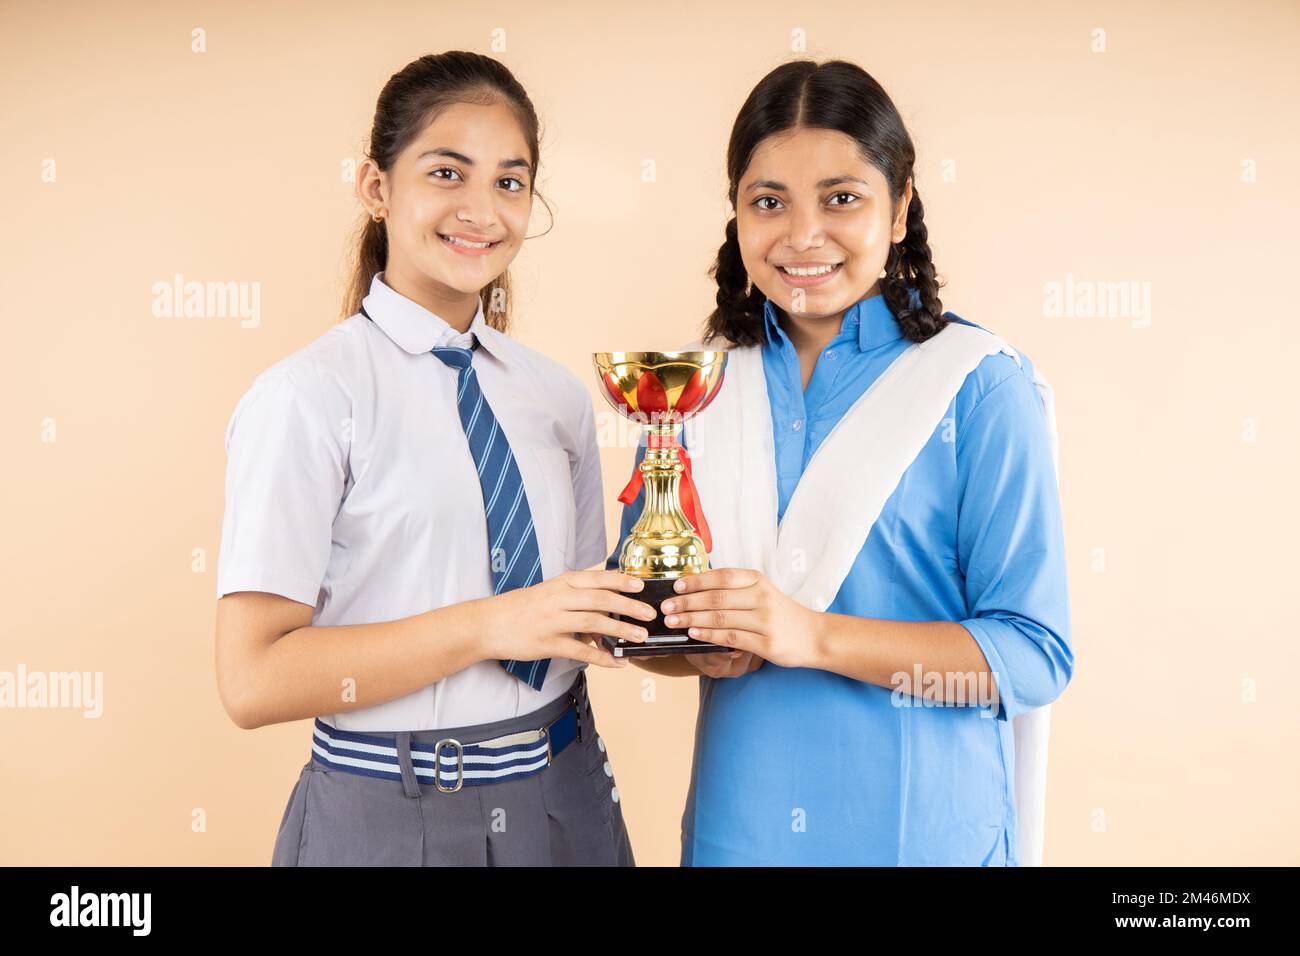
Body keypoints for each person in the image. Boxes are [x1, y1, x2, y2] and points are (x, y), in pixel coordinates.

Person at [612, 59, 1073, 865]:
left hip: (921, 837)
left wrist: (811, 637)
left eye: (842, 198)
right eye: (768, 202)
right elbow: (659, 619)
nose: (802, 236)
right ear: (737, 215)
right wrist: (696, 646)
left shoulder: (978, 387)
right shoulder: (696, 388)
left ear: (899, 209)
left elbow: (1033, 656)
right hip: (738, 834)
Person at [215, 51, 653, 866]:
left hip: (571, 798)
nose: (481, 211)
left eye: (510, 182)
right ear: (376, 187)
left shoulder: (553, 396)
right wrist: (489, 626)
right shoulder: (310, 397)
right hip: (392, 814)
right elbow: (252, 680)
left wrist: (693, 632)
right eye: (448, 172)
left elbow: (571, 615)